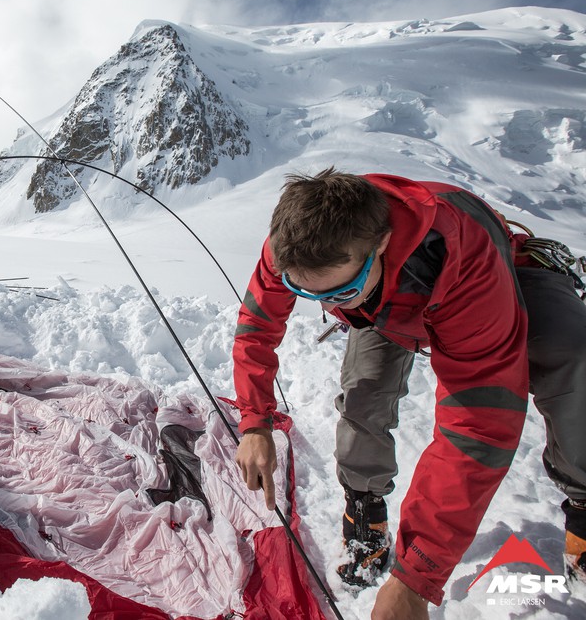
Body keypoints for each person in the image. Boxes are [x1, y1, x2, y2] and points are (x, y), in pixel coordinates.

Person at [232, 168, 586, 617]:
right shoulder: (299, 242)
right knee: (364, 392)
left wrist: (416, 578)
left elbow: (478, 426)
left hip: (489, 279)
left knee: (572, 362)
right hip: (389, 307)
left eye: (341, 291)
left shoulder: (462, 257)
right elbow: (256, 328)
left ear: (379, 243)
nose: (329, 305)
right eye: (305, 292)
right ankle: (364, 504)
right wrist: (255, 423)